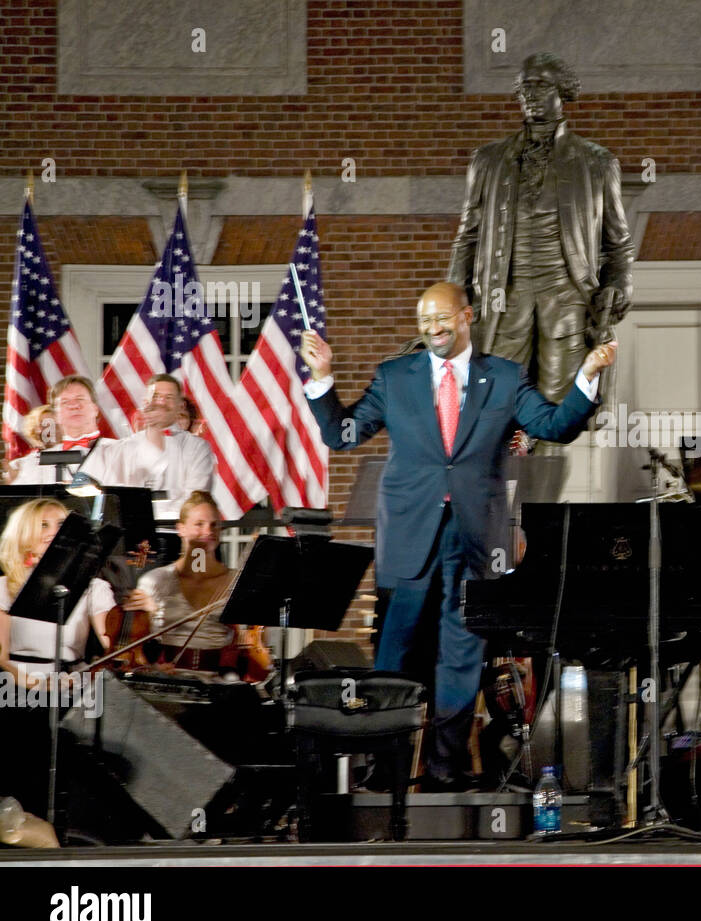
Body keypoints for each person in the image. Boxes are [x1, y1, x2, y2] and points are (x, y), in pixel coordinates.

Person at [300, 281, 615, 788]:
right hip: (408, 533)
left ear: (467, 316)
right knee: (396, 651)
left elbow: (554, 426)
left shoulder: (506, 377)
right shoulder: (395, 376)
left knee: (463, 654)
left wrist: (586, 378)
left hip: (475, 534)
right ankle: (386, 772)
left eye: (441, 319)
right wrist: (321, 379)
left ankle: (446, 770)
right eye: (424, 322)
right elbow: (343, 434)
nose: (432, 330)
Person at [447, 52, 634, 403]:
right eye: (524, 88)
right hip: (503, 297)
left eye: (540, 85)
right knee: (497, 400)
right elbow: (468, 235)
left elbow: (619, 244)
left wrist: (619, 286)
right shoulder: (488, 160)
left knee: (560, 401)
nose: (530, 95)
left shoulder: (597, 163)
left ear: (562, 91)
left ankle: (546, 461)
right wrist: (453, 299)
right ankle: (506, 459)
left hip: (566, 298)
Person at [0, 499, 114, 814]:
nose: (54, 533)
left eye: (62, 526)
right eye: (44, 525)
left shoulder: (94, 588)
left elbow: (110, 641)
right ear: (23, 533)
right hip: (16, 686)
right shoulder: (3, 587)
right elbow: (1, 656)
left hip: (71, 684)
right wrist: (35, 685)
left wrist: (137, 617)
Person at [119, 490, 267, 675]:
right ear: (181, 529)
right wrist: (153, 668)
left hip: (220, 682)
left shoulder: (235, 582)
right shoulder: (155, 580)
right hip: (168, 679)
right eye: (199, 524)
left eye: (214, 525)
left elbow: (248, 639)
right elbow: (133, 650)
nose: (208, 531)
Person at [97, 374, 214, 520]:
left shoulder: (198, 447)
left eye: (169, 398)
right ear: (146, 404)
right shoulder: (125, 448)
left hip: (178, 531)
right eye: (156, 396)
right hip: (134, 531)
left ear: (180, 406)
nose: (161, 403)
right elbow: (113, 494)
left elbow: (197, 497)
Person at [6, 376, 118, 485]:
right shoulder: (34, 464)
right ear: (56, 415)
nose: (74, 405)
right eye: (65, 402)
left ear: (95, 409)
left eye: (80, 399)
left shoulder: (120, 452)